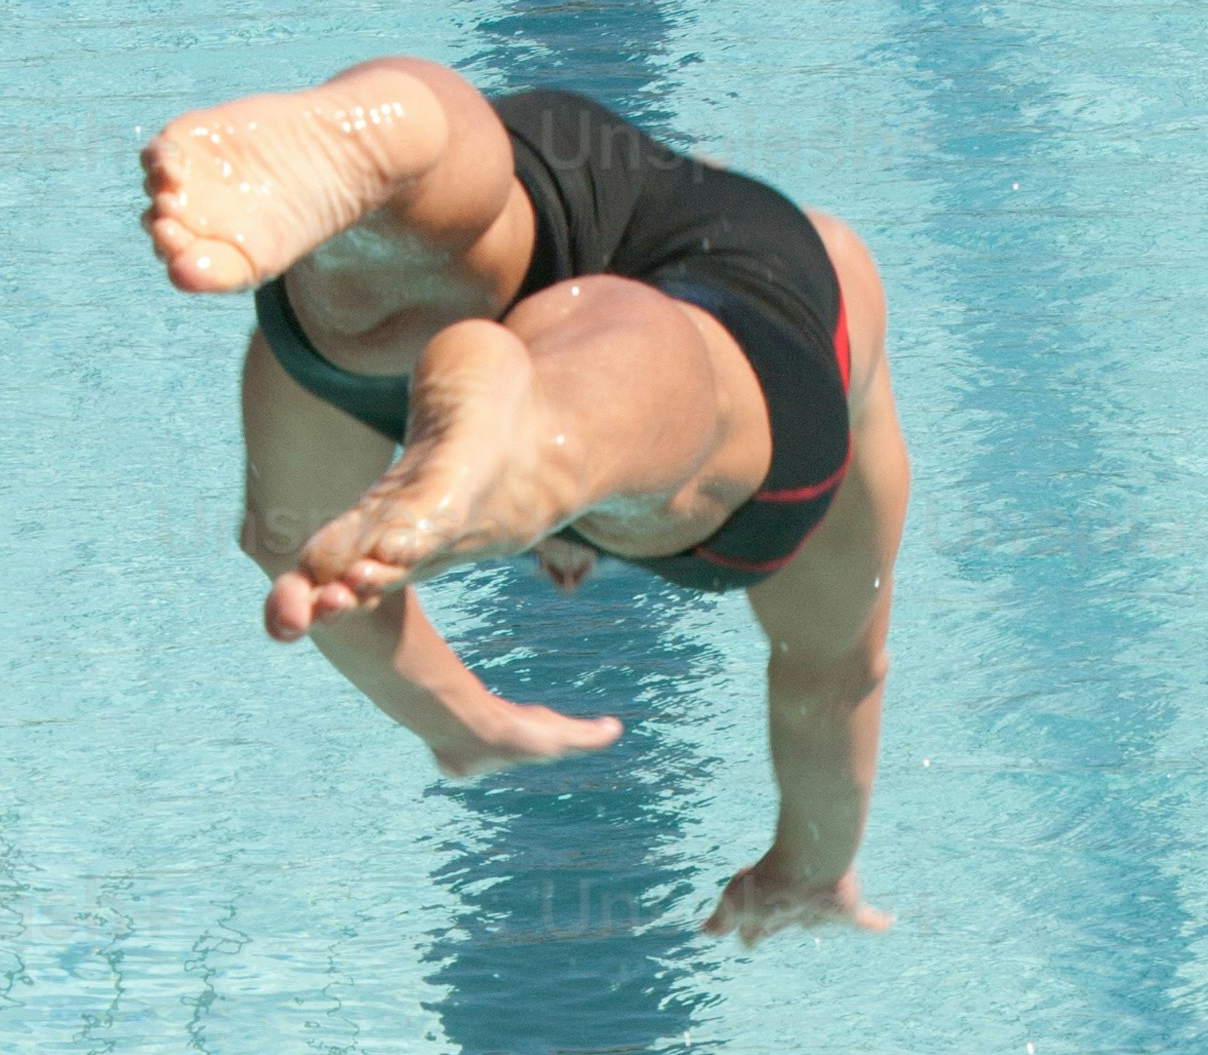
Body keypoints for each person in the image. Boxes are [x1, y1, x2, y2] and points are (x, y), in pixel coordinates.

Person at [141, 62, 909, 941]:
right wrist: (811, 866)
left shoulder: (655, 193)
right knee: (675, 399)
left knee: (398, 260)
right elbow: (834, 675)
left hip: (559, 155)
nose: (563, 574)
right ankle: (537, 438)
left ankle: (389, 141)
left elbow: (295, 546)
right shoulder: (831, 284)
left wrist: (460, 715)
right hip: (762, 288)